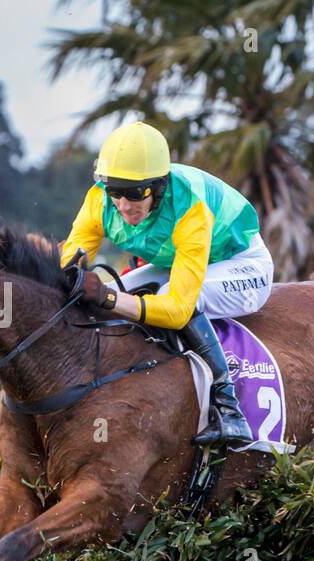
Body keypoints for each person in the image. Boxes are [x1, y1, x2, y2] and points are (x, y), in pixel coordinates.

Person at [60, 120, 274, 447]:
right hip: (177, 262)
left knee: (155, 299)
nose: (124, 205)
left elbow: (176, 310)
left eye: (135, 193)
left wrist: (107, 297)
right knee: (119, 294)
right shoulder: (98, 200)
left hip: (241, 265)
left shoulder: (190, 208)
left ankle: (229, 408)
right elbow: (67, 265)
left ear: (159, 187)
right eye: (115, 191)